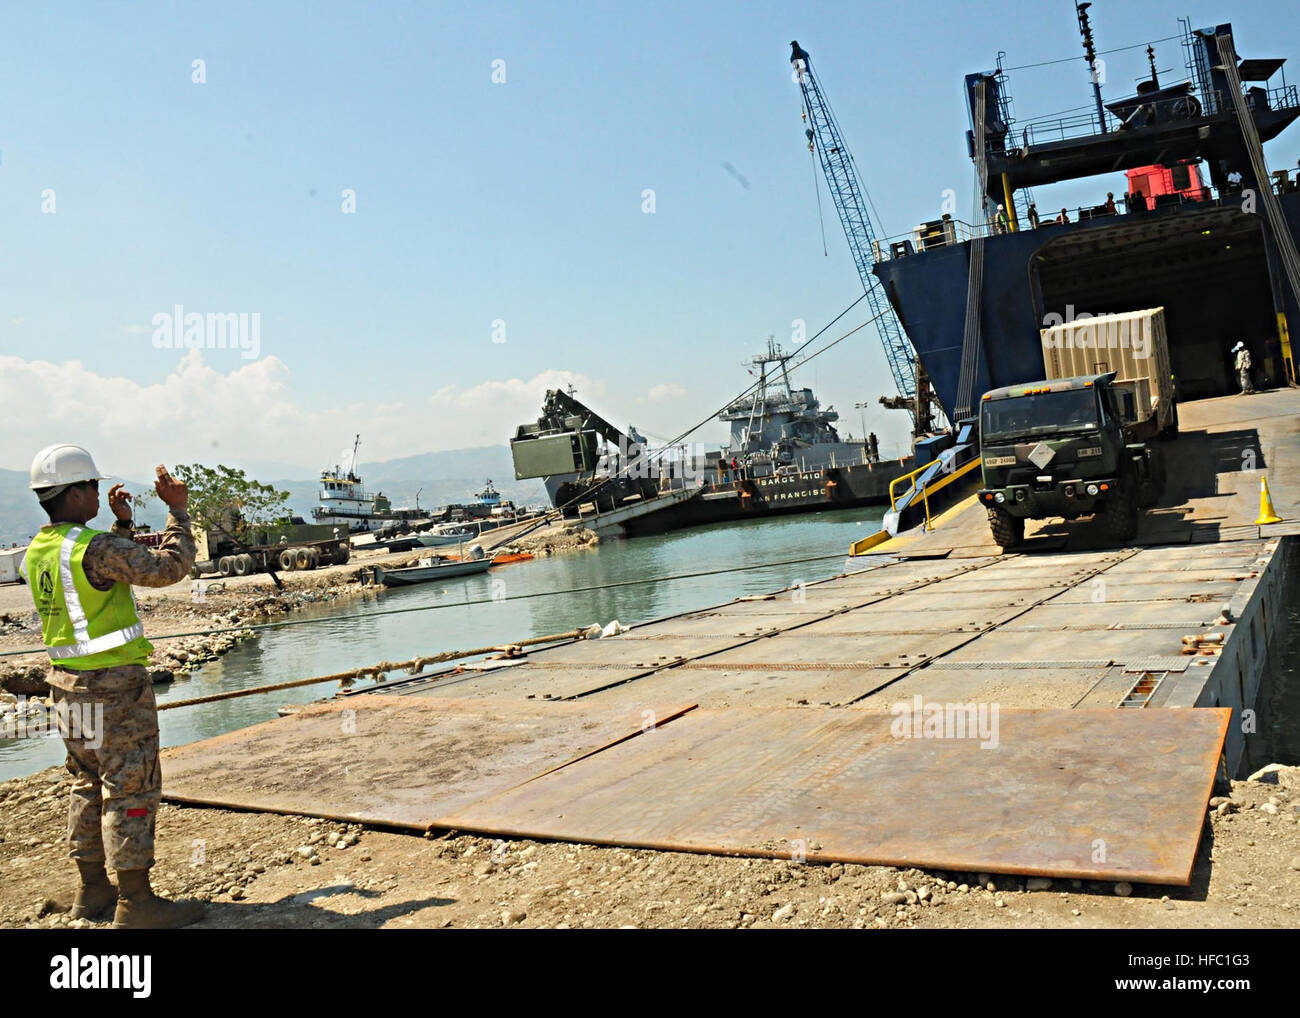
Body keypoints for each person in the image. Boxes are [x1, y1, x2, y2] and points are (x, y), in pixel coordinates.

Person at [21, 445, 204, 929]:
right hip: (115, 688)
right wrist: (178, 511)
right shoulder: (96, 548)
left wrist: (122, 525)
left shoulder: (39, 549)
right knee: (131, 785)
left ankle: (92, 889)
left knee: (85, 782)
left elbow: (96, 577)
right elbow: (168, 569)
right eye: (94, 487)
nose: (99, 493)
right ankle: (137, 902)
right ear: (75, 492)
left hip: (67, 688)